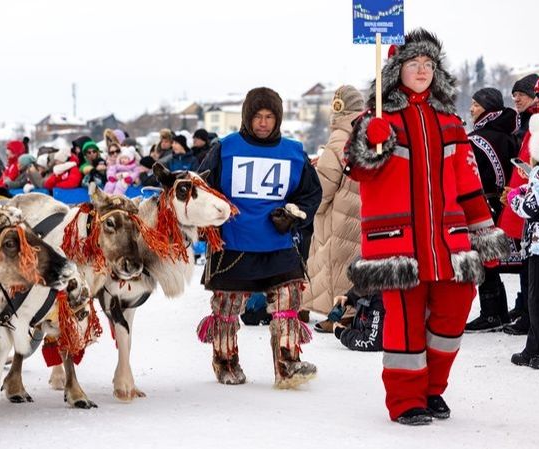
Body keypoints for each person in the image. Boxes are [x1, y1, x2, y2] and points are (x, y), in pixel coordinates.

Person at [344, 29, 509, 425]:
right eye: (414, 64)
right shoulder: (377, 119)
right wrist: (371, 143)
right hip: (397, 244)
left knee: (453, 317)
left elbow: (469, 184)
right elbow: (357, 172)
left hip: (449, 243)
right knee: (404, 326)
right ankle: (406, 401)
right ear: (396, 69)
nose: (422, 71)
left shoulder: (450, 121)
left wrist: (484, 236)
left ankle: (432, 390)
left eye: (429, 65)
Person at [197, 86, 322, 388]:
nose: (263, 123)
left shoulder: (293, 151)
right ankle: (225, 362)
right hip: (233, 245)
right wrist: (213, 217)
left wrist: (294, 216)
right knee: (226, 310)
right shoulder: (224, 148)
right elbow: (202, 188)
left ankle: (288, 364)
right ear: (246, 118)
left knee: (287, 304)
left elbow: (310, 194)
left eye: (269, 117)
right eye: (257, 117)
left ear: (277, 119)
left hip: (278, 244)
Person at [302, 85, 366, 333]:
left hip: (338, 212)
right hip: (362, 209)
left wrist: (312, 208)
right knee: (353, 261)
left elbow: (324, 186)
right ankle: (352, 310)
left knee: (334, 265)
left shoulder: (338, 140)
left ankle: (340, 314)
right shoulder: (368, 135)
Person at [463, 87, 520, 332]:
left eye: (476, 104)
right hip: (504, 202)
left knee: (485, 257)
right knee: (493, 260)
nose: (471, 109)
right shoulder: (507, 134)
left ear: (487, 107)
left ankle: (491, 313)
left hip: (485, 204)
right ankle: (500, 311)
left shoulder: (478, 139)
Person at [500, 77, 539, 335]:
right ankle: (526, 309)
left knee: (534, 266)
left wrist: (520, 193)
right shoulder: (532, 124)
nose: (535, 100)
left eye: (537, 95)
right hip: (526, 199)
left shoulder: (537, 123)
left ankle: (531, 320)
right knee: (529, 263)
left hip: (533, 205)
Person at [506, 113, 539, 369]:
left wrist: (513, 199)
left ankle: (535, 349)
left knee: (536, 299)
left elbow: (530, 208)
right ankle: (534, 348)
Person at [512, 74, 539, 150]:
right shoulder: (516, 121)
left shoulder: (538, 121)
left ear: (534, 96)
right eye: (514, 95)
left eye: (521, 94)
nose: (516, 99)